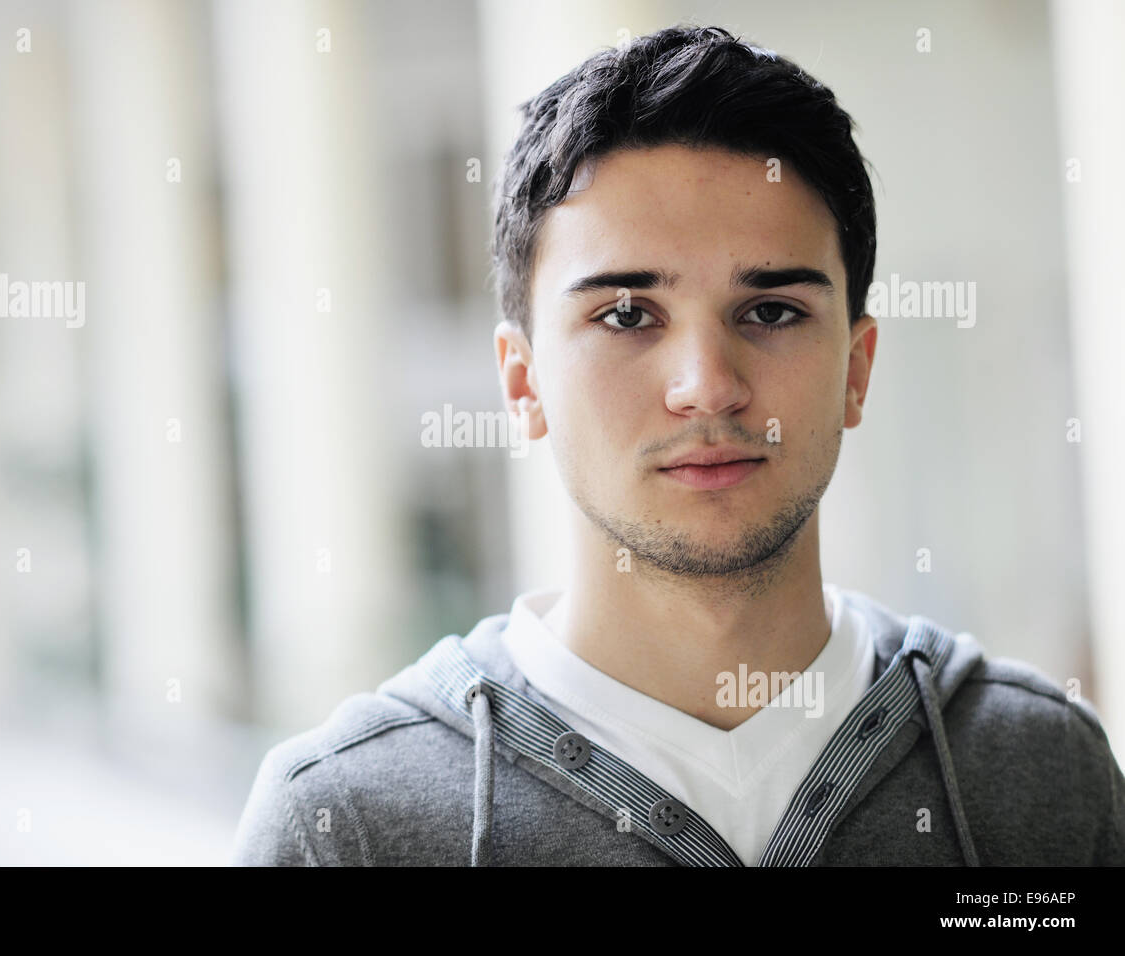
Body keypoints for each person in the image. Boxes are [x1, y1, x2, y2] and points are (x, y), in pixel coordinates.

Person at [230, 22, 1125, 866]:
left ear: (856, 371)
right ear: (522, 380)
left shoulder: (1039, 776)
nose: (707, 383)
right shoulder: (349, 824)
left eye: (771, 311)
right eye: (625, 314)